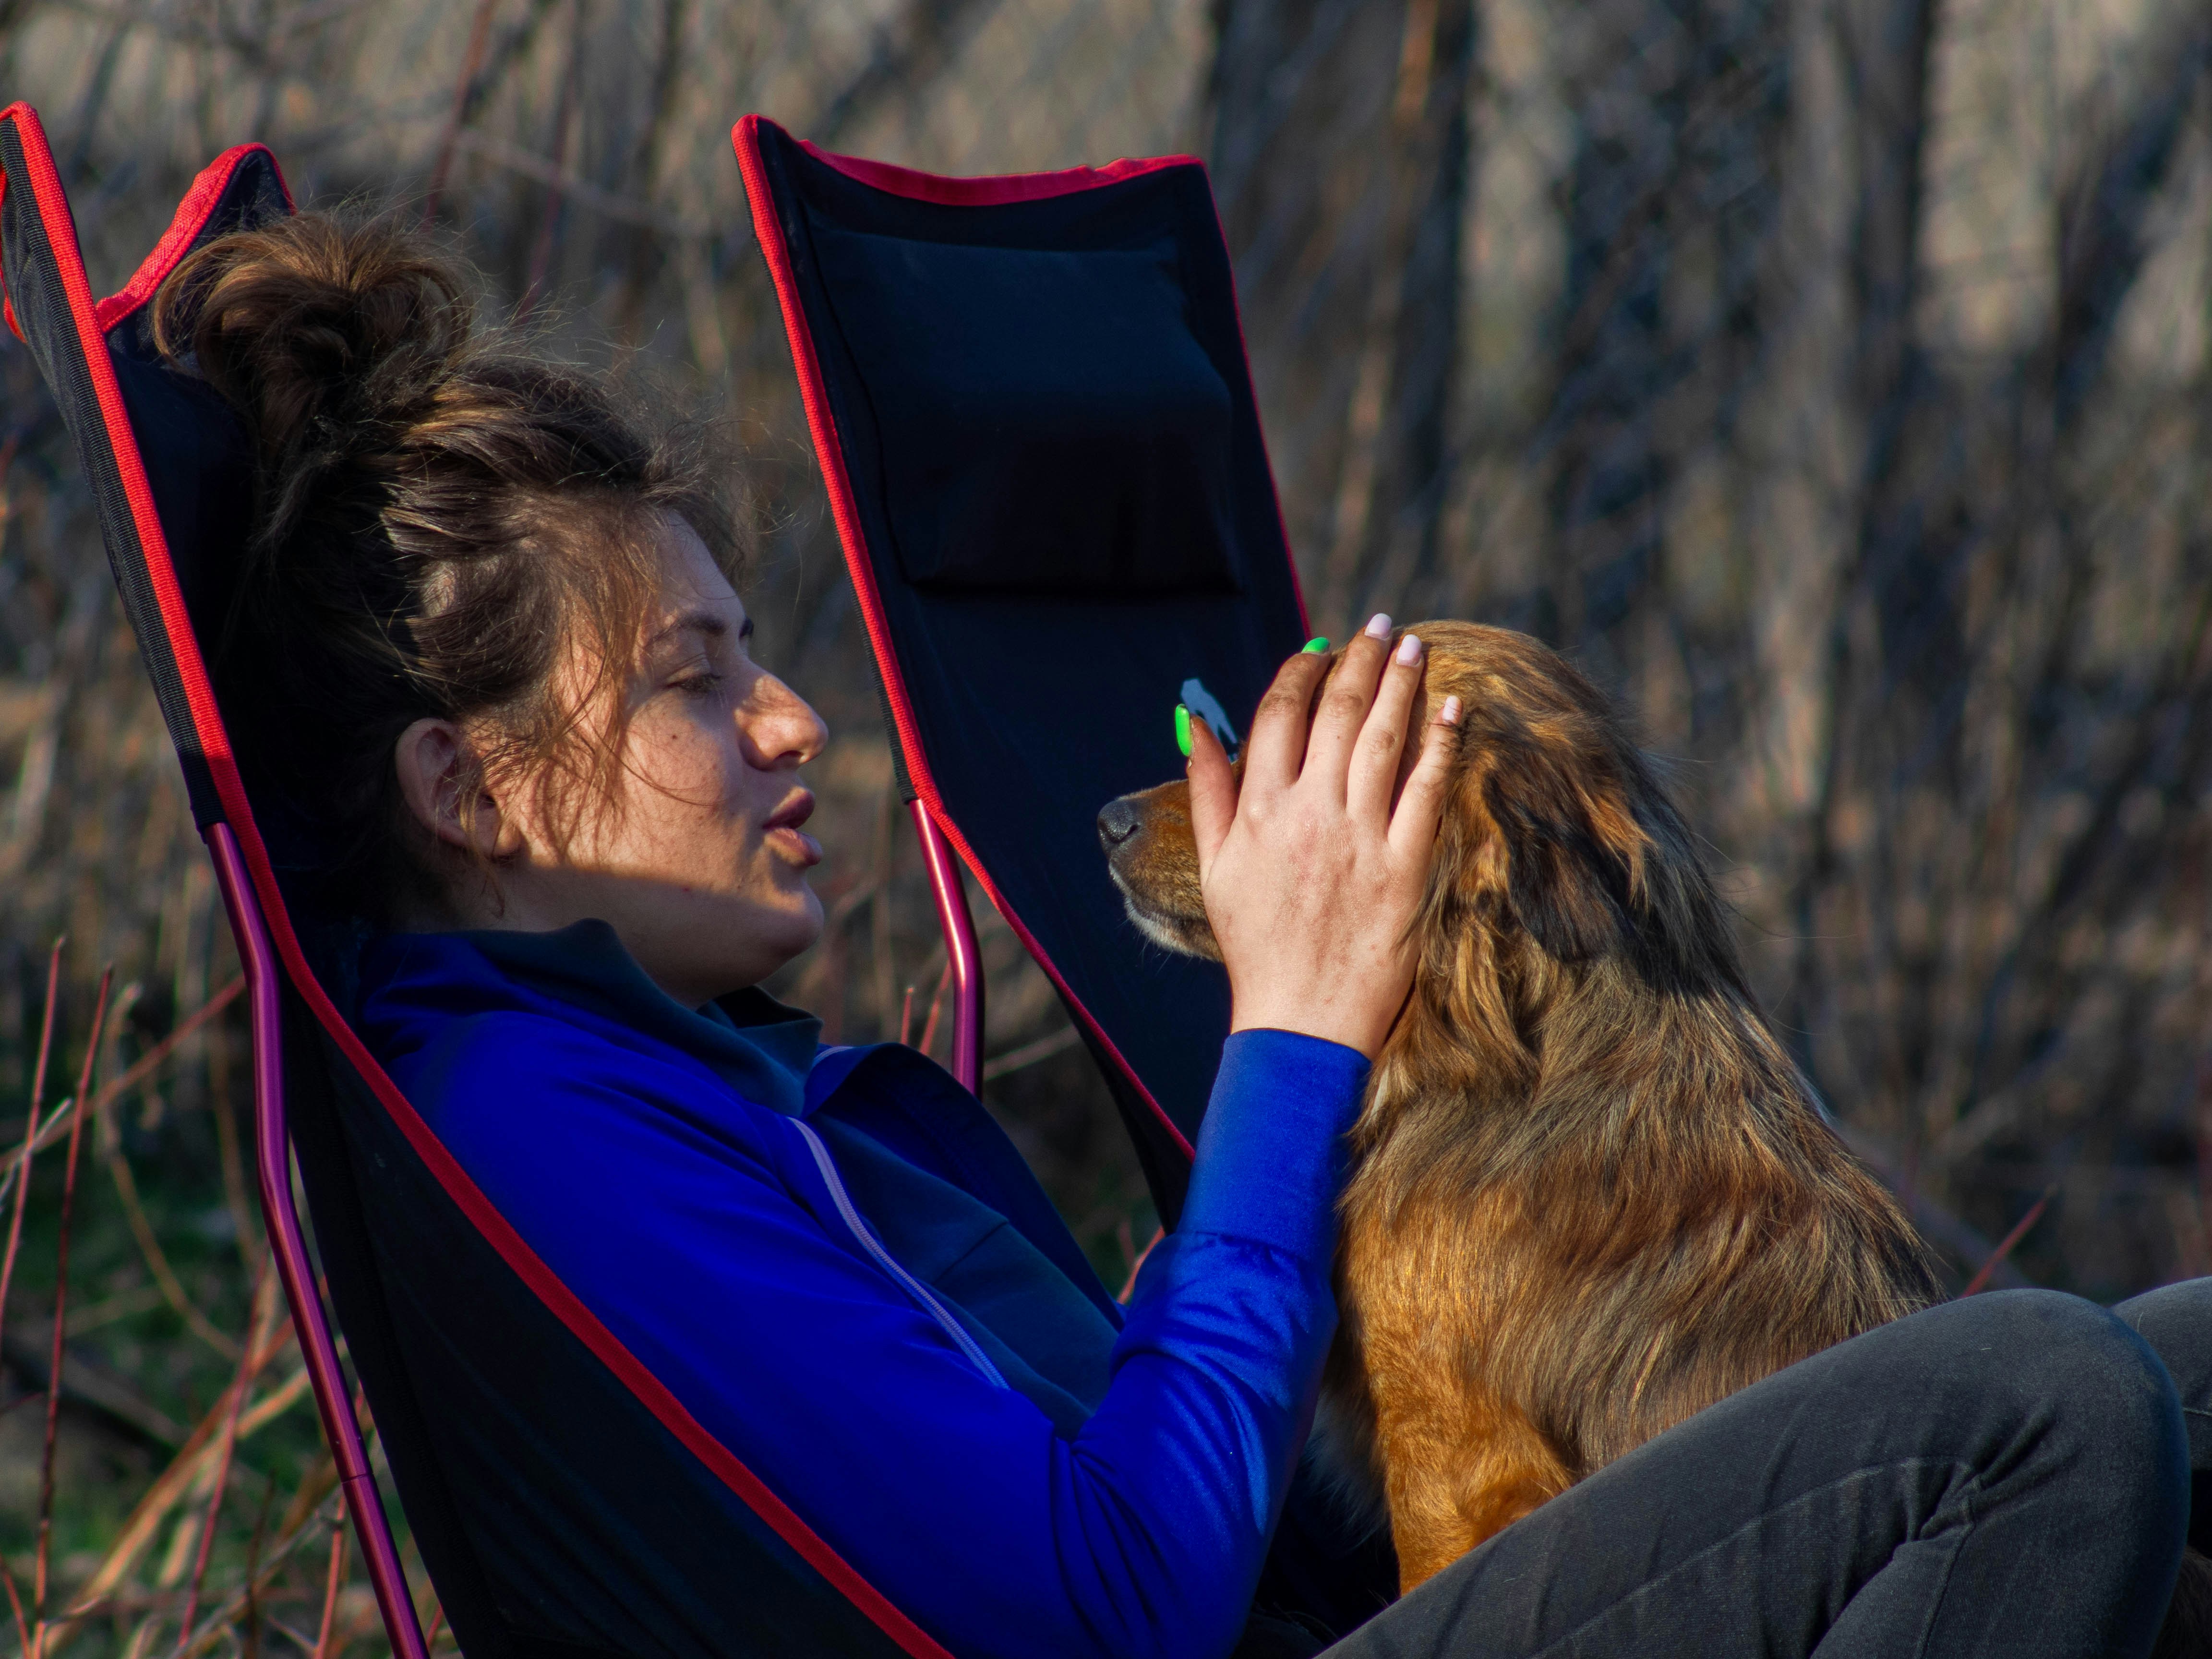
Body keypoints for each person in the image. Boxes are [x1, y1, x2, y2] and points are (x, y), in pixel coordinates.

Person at [155, 211, 2202, 1659]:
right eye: (694, 680)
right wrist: (1297, 1041)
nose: (793, 722)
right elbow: (1109, 1601)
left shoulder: (695, 1080)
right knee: (2033, 1404)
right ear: (469, 791)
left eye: (757, 655)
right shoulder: (546, 1128)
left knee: (2176, 1369)